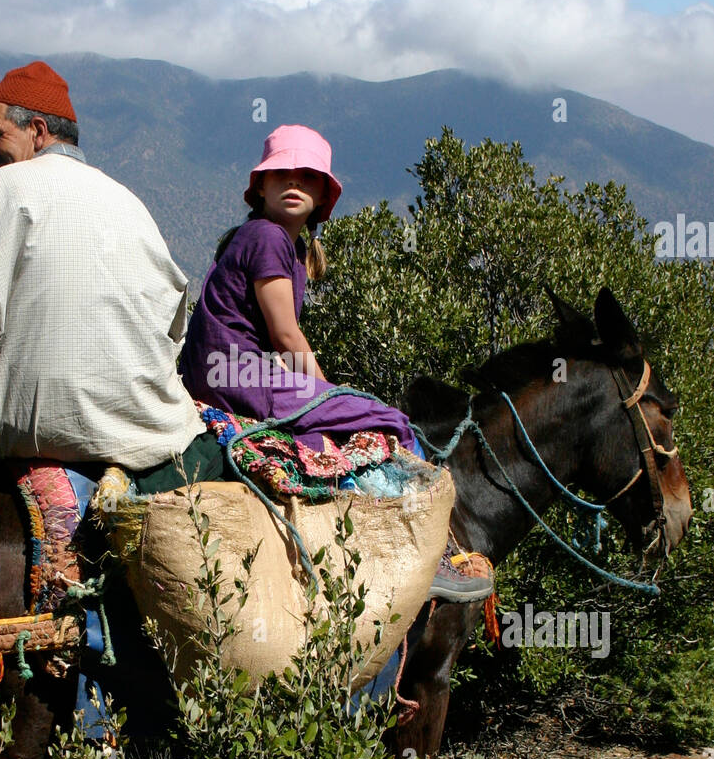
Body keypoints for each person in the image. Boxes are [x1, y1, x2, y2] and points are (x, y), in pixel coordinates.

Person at [180, 123, 493, 603]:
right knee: (387, 420)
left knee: (317, 436)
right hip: (236, 374)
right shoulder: (268, 237)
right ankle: (430, 557)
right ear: (260, 187)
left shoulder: (274, 241)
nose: (293, 184)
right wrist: (333, 393)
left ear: (323, 194)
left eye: (307, 177)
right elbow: (285, 334)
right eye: (281, 174)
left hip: (221, 372)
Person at [0, 59, 216, 490]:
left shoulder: (1, 187)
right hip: (142, 430)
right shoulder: (129, 201)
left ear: (36, 130)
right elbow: (174, 324)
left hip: (22, 433)